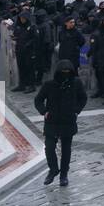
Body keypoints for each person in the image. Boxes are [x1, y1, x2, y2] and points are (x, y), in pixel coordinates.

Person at [34, 59, 87, 187]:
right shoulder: (49, 85)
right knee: (49, 147)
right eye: (63, 72)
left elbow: (83, 98)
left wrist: (76, 111)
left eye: (68, 72)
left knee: (66, 149)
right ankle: (53, 169)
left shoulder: (76, 84)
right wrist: (44, 111)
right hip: (52, 121)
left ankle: (64, 175)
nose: (65, 75)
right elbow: (38, 100)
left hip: (68, 120)